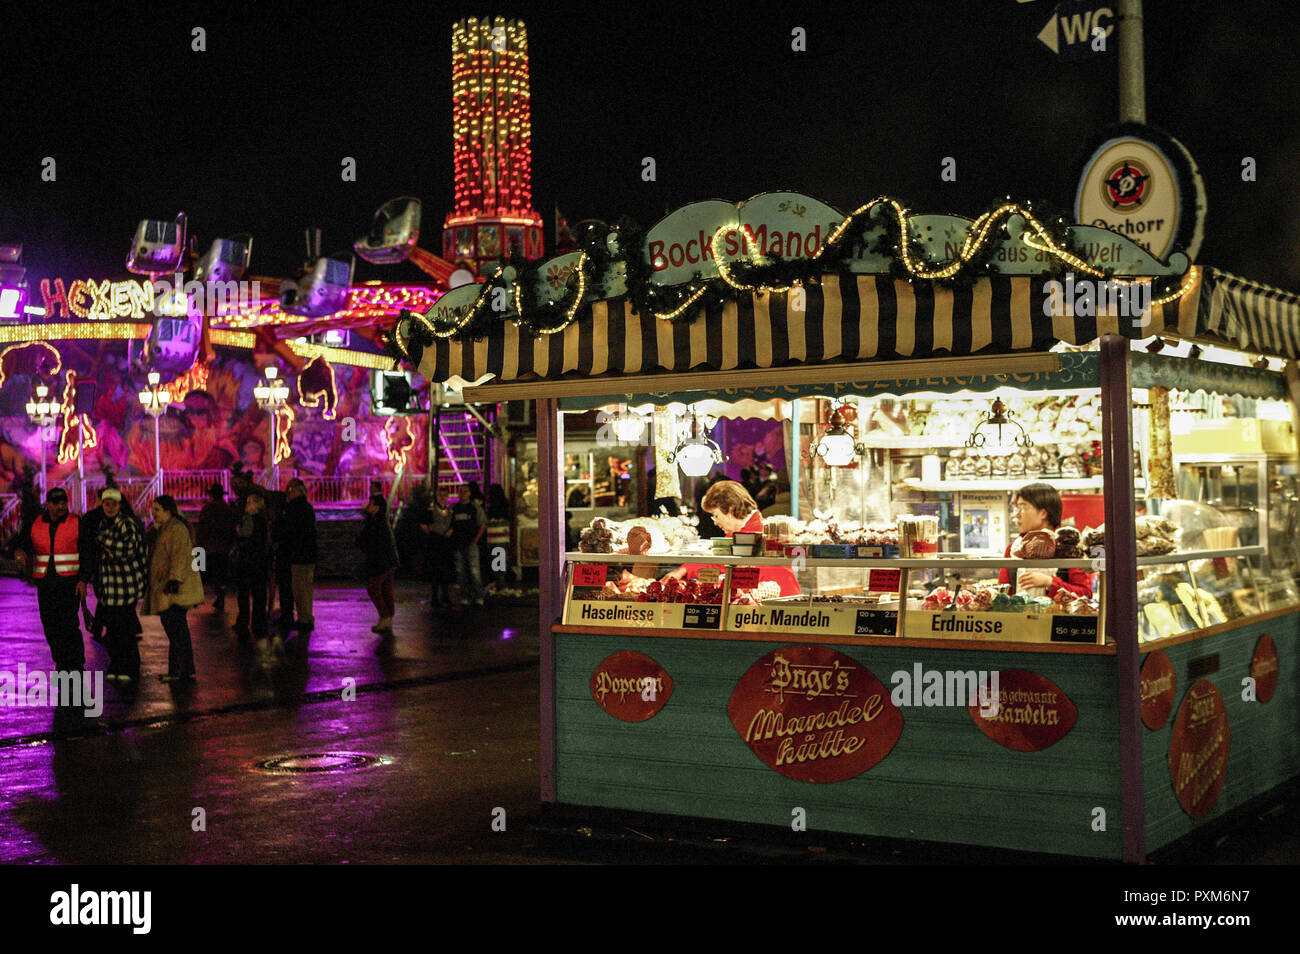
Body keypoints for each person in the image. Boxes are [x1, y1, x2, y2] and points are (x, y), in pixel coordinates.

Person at [665, 480, 801, 596]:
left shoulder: (760, 533)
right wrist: (684, 570)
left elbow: (735, 575)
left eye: (716, 515)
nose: (715, 522)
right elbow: (718, 562)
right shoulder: (742, 531)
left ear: (730, 509)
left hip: (780, 612)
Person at [14, 487, 88, 672]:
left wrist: (83, 580)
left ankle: (76, 666)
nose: (61, 507)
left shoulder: (76, 522)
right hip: (46, 585)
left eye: (64, 503)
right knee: (50, 627)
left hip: (69, 585)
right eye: (57, 504)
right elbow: (20, 543)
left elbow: (88, 553)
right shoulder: (35, 523)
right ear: (48, 504)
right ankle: (62, 664)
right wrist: (20, 553)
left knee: (69, 626)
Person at [143, 495, 204, 682]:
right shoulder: (167, 528)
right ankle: (179, 670)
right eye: (153, 510)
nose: (154, 514)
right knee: (176, 629)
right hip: (170, 585)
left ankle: (180, 670)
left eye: (157, 510)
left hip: (174, 588)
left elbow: (180, 555)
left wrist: (174, 579)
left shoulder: (175, 529)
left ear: (168, 511)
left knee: (176, 629)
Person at [998, 482, 1093, 599]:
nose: (1017, 515)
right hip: (1018, 617)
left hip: (1058, 617)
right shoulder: (1013, 550)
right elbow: (1003, 595)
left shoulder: (1069, 549)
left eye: (1023, 507)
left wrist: (1050, 582)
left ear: (1043, 513)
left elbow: (1086, 594)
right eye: (1017, 508)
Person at [91, 488, 146, 684]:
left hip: (125, 587)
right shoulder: (105, 524)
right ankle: (117, 664)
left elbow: (127, 549)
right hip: (110, 589)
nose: (110, 507)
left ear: (120, 505)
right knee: (113, 631)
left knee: (124, 631)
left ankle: (130, 667)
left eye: (114, 503)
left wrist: (103, 542)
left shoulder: (126, 524)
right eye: (107, 503)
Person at [278, 478, 317, 634]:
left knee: (300, 589)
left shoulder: (295, 509)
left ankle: (304, 619)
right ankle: (306, 616)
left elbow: (289, 530)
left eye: (291, 490)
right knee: (306, 588)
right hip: (308, 554)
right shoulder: (307, 508)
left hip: (299, 554)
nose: (289, 492)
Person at [232, 491, 271, 646]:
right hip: (260, 561)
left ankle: (243, 622)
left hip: (247, 561)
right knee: (259, 594)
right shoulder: (263, 521)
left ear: (256, 505)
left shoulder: (248, 519)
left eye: (249, 502)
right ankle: (258, 622)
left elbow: (245, 535)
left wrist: (238, 532)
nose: (246, 505)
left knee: (244, 594)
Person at [358, 493, 399, 633]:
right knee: (386, 589)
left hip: (381, 561)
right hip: (388, 560)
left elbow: (372, 542)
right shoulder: (378, 520)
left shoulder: (376, 522)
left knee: (373, 588)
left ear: (376, 507)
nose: (367, 506)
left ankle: (385, 616)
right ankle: (387, 618)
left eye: (370, 504)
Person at [195, 482, 237, 612]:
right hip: (223, 548)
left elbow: (202, 528)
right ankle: (221, 596)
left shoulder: (208, 509)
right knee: (221, 575)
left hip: (209, 547)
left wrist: (198, 543)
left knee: (204, 572)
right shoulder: (227, 509)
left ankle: (197, 597)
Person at [449, 490, 485, 607]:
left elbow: (483, 524)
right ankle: (467, 596)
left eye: (465, 491)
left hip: (469, 543)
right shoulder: (455, 508)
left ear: (469, 493)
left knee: (473, 571)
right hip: (459, 543)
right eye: (461, 492)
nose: (463, 493)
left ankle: (477, 596)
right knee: (461, 572)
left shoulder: (474, 508)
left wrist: (475, 540)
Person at [420, 486, 455, 608]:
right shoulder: (431, 509)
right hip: (435, 542)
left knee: (445, 569)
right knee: (435, 570)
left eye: (444, 495)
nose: (442, 498)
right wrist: (429, 530)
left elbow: (453, 524)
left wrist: (451, 530)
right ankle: (435, 597)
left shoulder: (450, 510)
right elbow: (423, 524)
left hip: (446, 542)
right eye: (440, 495)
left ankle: (445, 595)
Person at [485, 482, 512, 589]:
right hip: (502, 538)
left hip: (493, 538)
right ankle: (501, 584)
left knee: (495, 563)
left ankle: (499, 585)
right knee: (500, 562)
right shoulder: (505, 506)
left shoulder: (490, 508)